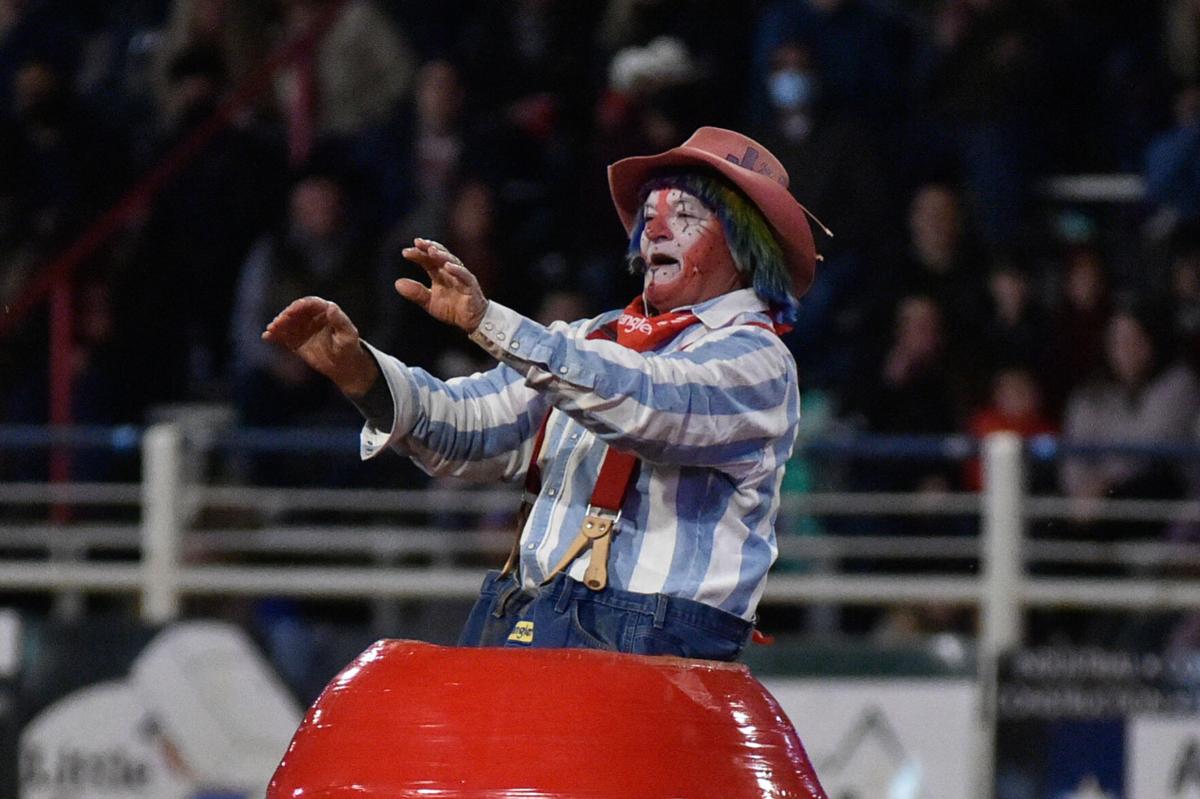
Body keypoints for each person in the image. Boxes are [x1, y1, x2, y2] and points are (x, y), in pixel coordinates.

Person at [262, 127, 817, 661]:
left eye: (687, 216)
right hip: (541, 626)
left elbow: (647, 404)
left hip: (663, 664)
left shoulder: (759, 361)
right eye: (649, 216)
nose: (656, 230)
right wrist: (360, 373)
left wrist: (489, 322)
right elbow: (468, 429)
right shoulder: (590, 339)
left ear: (745, 244)